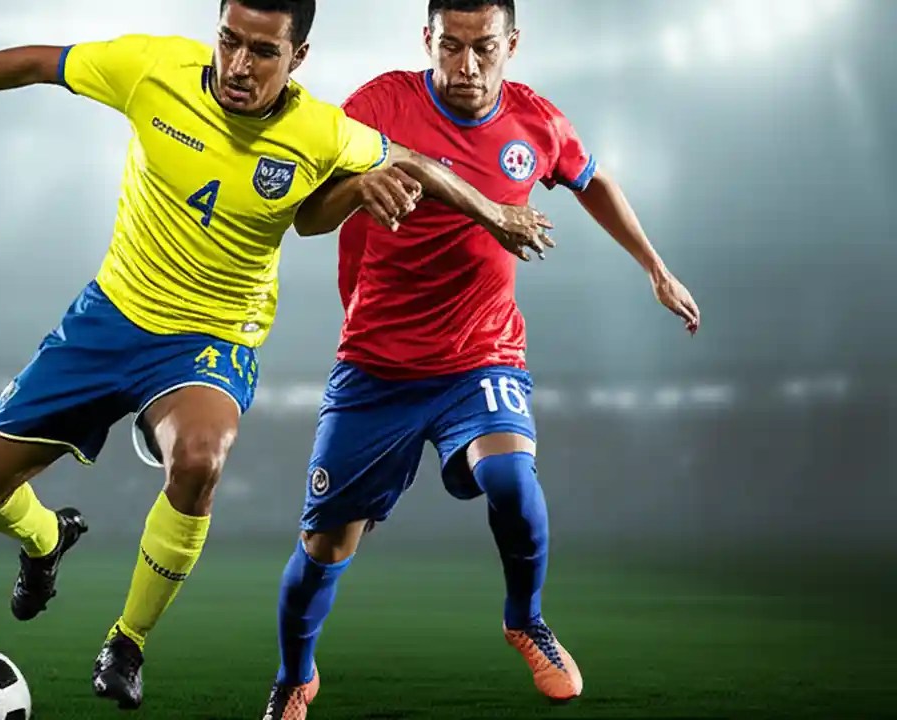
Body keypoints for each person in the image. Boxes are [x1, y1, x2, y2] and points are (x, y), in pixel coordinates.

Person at [0, 0, 555, 710]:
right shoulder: (152, 67)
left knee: (197, 459)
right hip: (109, 318)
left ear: (297, 60)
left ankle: (127, 641)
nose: (238, 66)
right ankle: (45, 540)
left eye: (261, 52)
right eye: (229, 41)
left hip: (212, 340)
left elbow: (408, 166)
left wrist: (492, 214)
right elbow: (39, 61)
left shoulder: (321, 129)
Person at [262, 1, 702, 716]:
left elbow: (592, 180)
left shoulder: (536, 121)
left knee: (512, 480)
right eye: (451, 47)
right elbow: (307, 211)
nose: (467, 66)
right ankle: (295, 676)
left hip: (481, 356)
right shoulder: (377, 107)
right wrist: (357, 188)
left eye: (485, 49)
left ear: (513, 44)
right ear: (426, 40)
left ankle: (525, 619)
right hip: (378, 365)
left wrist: (655, 267)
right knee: (324, 548)